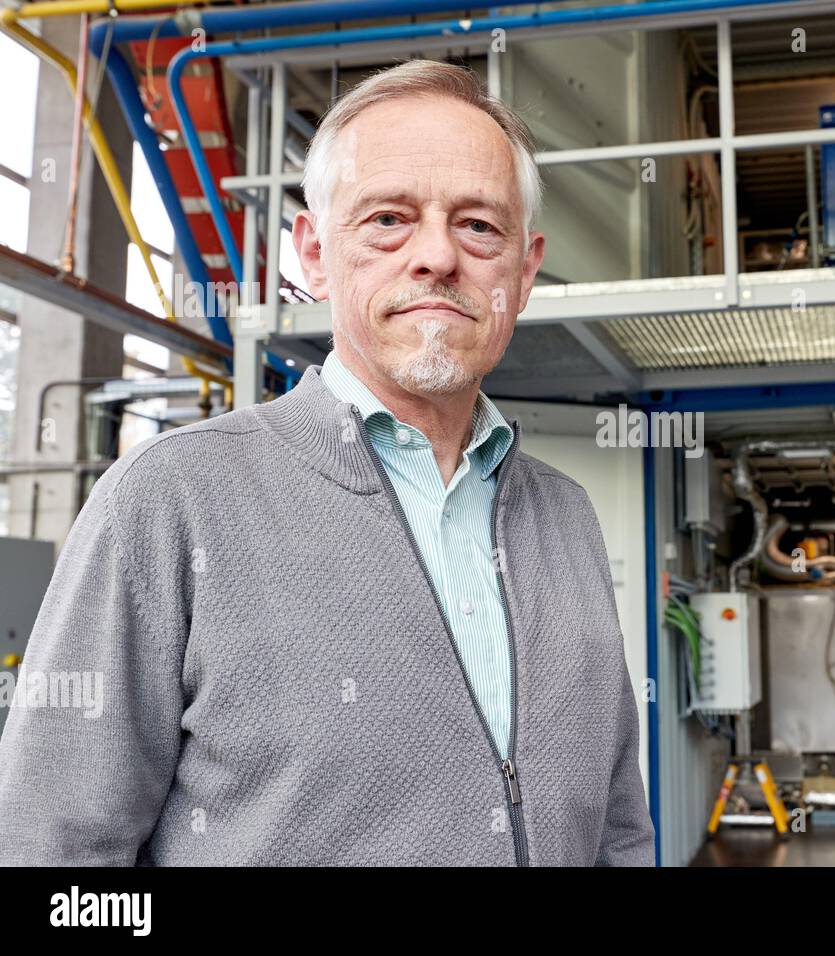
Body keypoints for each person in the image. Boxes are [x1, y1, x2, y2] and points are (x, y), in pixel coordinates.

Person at [0, 60, 655, 866]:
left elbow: (620, 827)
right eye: (388, 218)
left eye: (480, 226)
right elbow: (51, 853)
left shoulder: (567, 517)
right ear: (313, 253)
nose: (437, 257)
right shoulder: (171, 500)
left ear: (523, 273)